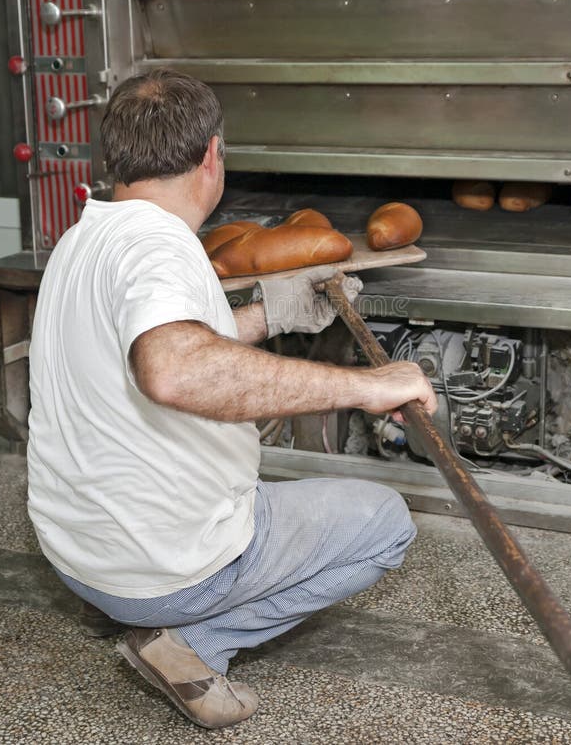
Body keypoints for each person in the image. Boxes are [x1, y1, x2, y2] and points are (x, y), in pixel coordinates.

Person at [27, 69, 437, 730]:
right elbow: (173, 369)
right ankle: (194, 645)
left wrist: (272, 312)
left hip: (76, 557)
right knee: (385, 525)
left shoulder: (83, 239)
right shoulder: (159, 246)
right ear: (213, 154)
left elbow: (154, 348)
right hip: (159, 569)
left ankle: (142, 614)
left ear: (116, 160)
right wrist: (368, 385)